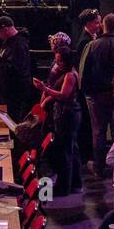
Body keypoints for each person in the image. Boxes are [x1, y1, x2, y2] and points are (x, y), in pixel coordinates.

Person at [81, 12, 114, 177]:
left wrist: (87, 93)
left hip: (97, 96)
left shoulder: (92, 46)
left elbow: (84, 73)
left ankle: (98, 168)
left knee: (98, 132)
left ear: (103, 25)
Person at [34, 45, 81, 196]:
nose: (57, 63)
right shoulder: (61, 72)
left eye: (60, 60)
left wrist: (44, 89)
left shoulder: (70, 75)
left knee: (65, 150)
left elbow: (63, 95)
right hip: (63, 113)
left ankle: (64, 187)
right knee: (70, 149)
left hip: (68, 114)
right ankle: (73, 183)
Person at [0, 15, 33, 123]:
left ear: (5, 29)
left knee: (12, 121)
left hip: (14, 92)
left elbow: (17, 68)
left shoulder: (19, 45)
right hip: (5, 90)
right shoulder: (7, 39)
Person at [73, 8, 102, 165]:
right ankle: (87, 156)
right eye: (97, 22)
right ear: (89, 23)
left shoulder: (92, 38)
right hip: (88, 90)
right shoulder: (85, 42)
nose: (99, 25)